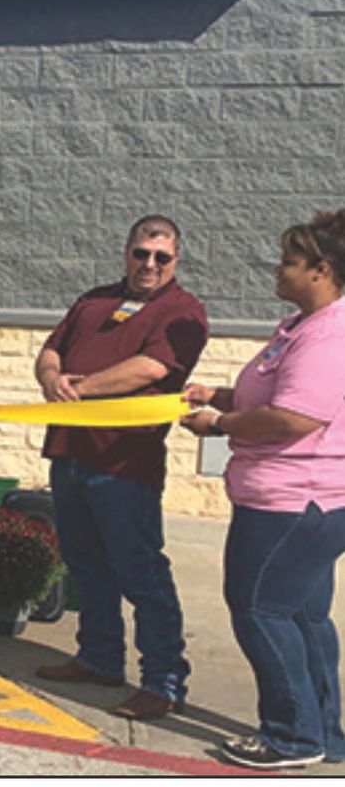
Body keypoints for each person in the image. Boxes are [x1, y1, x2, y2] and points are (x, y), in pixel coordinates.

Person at [180, 209, 345, 771]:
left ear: (322, 270)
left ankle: (292, 737)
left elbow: (295, 418)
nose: (277, 270)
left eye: (289, 262)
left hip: (293, 501)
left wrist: (219, 426)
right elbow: (273, 395)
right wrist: (222, 394)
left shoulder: (329, 334)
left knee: (259, 609)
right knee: (300, 615)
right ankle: (322, 730)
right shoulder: (300, 325)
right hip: (299, 499)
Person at [32, 214, 209, 720]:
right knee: (87, 564)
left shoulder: (183, 311)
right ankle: (100, 657)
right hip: (70, 453)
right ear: (126, 251)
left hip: (123, 463)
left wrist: (78, 389)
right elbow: (51, 350)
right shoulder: (95, 299)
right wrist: (51, 378)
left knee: (141, 572)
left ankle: (164, 680)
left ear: (176, 260)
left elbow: (152, 369)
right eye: (141, 253)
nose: (149, 264)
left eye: (161, 257)